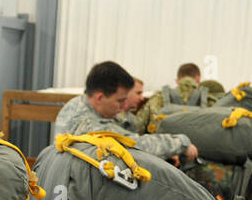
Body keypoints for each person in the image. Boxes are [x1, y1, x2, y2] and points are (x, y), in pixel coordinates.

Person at [54, 61, 198, 163]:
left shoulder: (76, 104)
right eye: (120, 101)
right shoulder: (90, 126)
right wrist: (181, 143)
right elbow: (135, 144)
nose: (123, 107)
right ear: (100, 97)